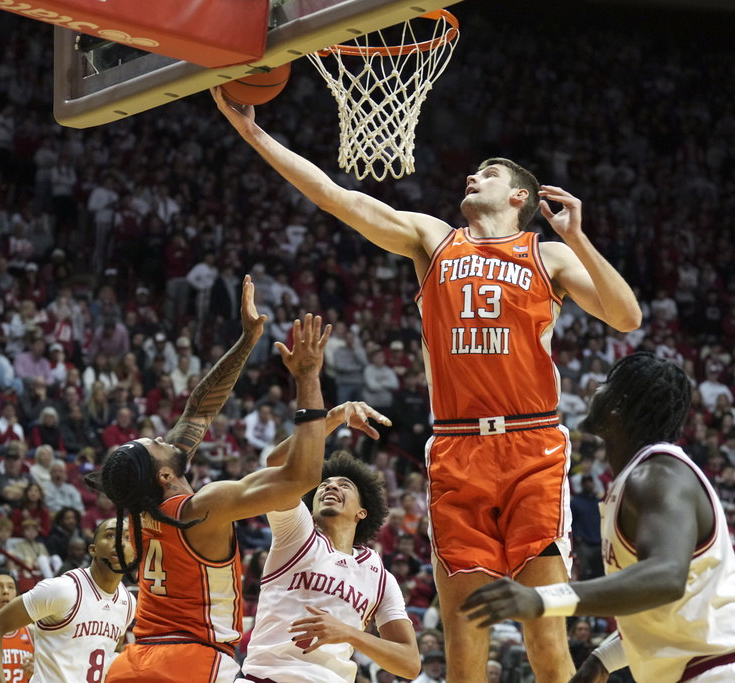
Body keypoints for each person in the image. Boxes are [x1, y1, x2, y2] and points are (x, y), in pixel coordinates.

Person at [213, 88, 641, 683]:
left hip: (531, 449)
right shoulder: (433, 239)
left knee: (546, 641)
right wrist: (256, 135)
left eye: (487, 173)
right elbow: (338, 198)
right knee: (465, 651)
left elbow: (627, 317)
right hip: (457, 449)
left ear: (520, 195)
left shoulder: (547, 256)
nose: (472, 175)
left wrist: (577, 238)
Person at [90, 280, 386, 683]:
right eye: (156, 443)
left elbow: (198, 411)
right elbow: (301, 476)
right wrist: (308, 378)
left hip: (132, 661)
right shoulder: (202, 508)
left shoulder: (143, 504)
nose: (164, 436)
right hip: (191, 664)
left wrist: (247, 339)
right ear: (163, 474)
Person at [458, 352, 735, 682]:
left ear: (618, 407)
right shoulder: (644, 477)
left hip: (727, 669)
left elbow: (666, 578)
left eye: (605, 386)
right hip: (716, 667)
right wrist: (602, 659)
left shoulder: (657, 476)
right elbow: (671, 602)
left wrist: (542, 597)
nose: (596, 393)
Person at [239, 450, 419, 682]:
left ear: (362, 512)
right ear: (310, 509)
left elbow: (410, 664)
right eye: (324, 485)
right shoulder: (297, 534)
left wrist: (349, 634)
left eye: (344, 485)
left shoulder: (381, 578)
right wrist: (332, 416)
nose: (331, 487)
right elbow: (278, 466)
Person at [0, 518, 136, 683]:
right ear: (92, 550)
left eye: (127, 538)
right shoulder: (63, 590)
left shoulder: (128, 603)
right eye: (110, 535)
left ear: (134, 554)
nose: (119, 543)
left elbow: (110, 650)